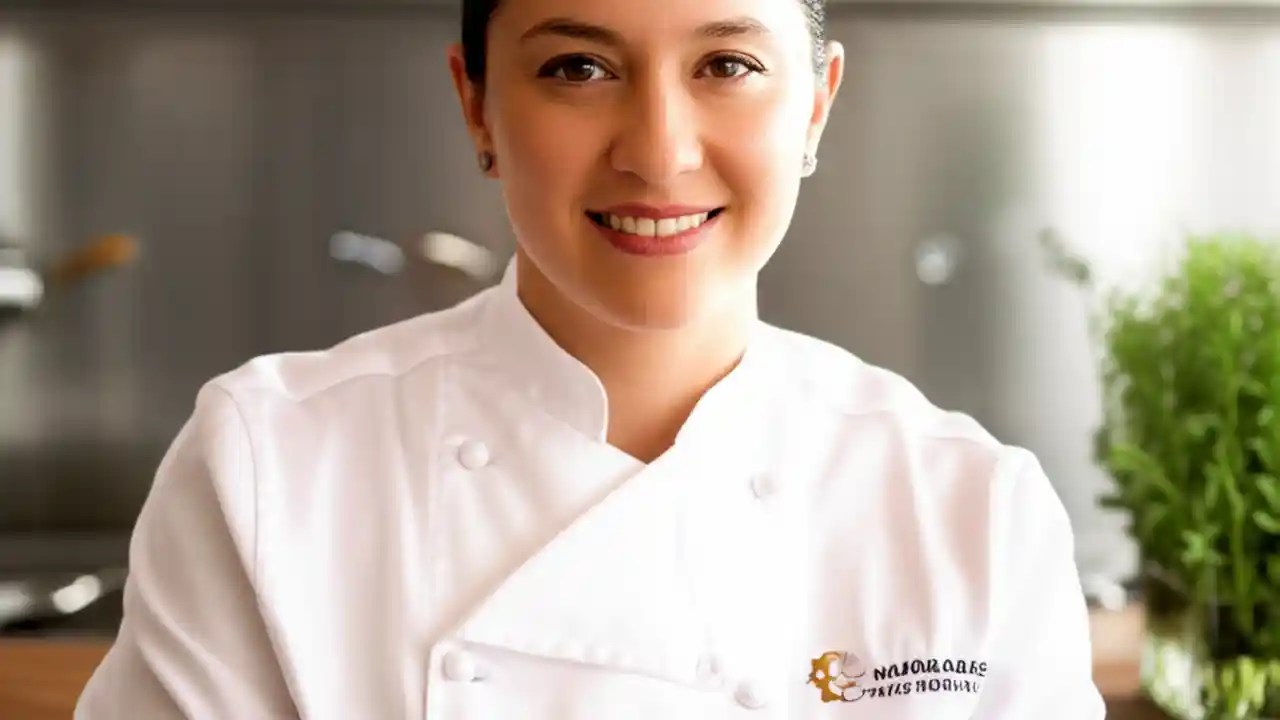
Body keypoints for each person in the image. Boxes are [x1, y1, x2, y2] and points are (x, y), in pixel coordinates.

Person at [76, 0, 1106, 716]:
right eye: (578, 67)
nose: (658, 151)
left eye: (728, 66)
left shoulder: (973, 509)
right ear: (476, 103)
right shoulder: (267, 466)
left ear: (814, 106)